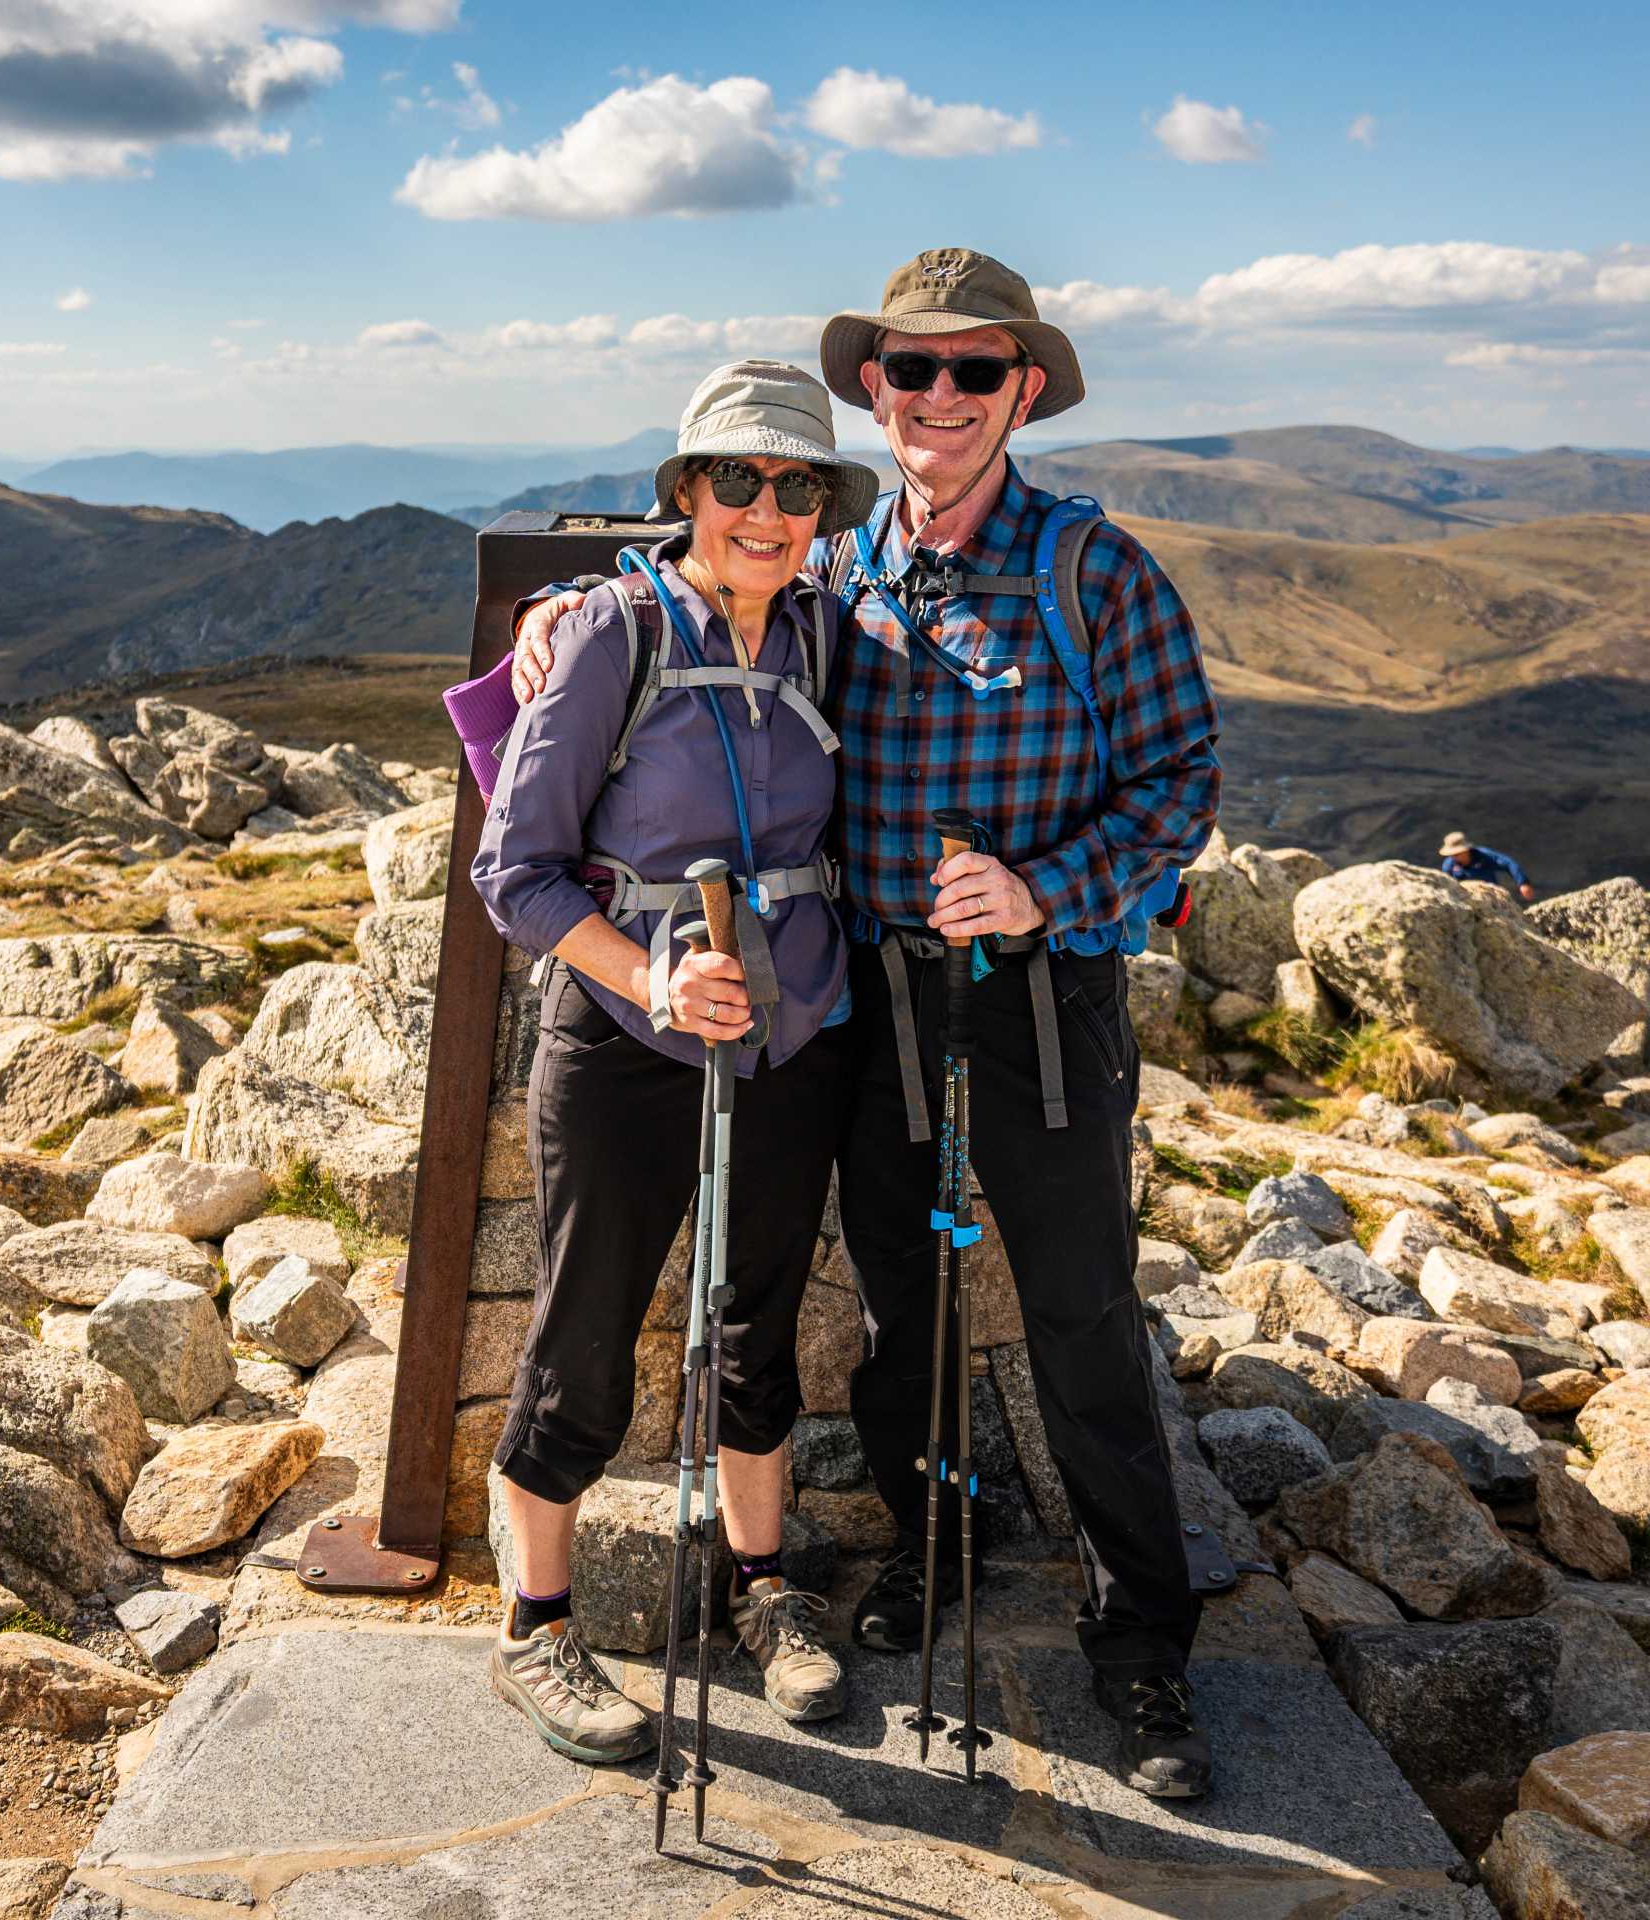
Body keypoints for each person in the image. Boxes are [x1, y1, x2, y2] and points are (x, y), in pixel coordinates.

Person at [515, 250, 1224, 1798]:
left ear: (1023, 390)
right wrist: (571, 608)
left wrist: (1044, 887)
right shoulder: (840, 562)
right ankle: (932, 1542)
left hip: (1041, 997)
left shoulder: (1096, 573)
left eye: (976, 370)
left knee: (1080, 1306)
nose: (941, 397)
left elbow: (1185, 782)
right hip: (875, 997)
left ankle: (1142, 1640)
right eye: (914, 369)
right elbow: (711, 562)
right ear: (876, 391)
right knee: (904, 1298)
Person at [472, 360, 880, 1765]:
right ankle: (535, 1626)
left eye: (798, 484)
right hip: (627, 1037)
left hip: (792, 1029)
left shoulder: (829, 630)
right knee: (586, 1322)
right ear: (690, 491)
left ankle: (766, 1591)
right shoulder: (609, 633)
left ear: (825, 507)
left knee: (760, 1316)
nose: (768, 508)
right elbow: (515, 874)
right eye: (739, 480)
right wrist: (648, 973)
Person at [1439, 830, 1535, 900]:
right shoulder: (1449, 865)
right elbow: (1446, 885)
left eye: (1457, 854)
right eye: (1451, 855)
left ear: (1466, 850)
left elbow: (1509, 863)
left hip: (1492, 897)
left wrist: (1523, 883)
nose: (1454, 857)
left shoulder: (1484, 856)